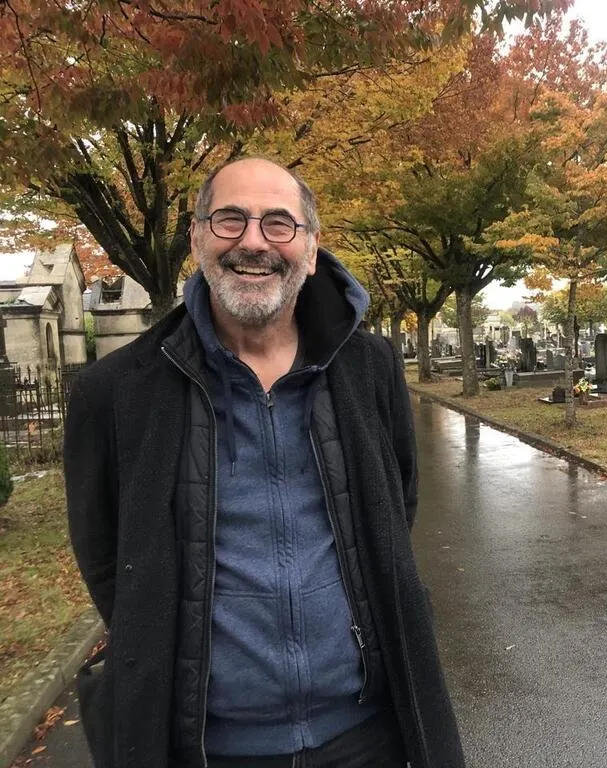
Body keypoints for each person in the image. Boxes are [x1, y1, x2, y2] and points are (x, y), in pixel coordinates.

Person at [64, 157, 464, 768]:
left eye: (279, 223)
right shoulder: (117, 393)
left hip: (365, 738)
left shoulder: (369, 368)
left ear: (309, 244)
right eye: (230, 220)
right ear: (197, 235)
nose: (253, 241)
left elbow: (394, 506)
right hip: (210, 748)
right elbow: (108, 557)